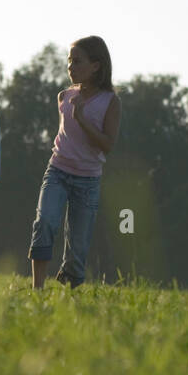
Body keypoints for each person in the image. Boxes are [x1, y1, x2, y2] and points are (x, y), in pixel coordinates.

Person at [28, 35, 122, 287]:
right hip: (57, 171)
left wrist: (82, 119)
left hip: (88, 180)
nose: (70, 66)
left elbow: (107, 145)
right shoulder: (64, 96)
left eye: (77, 61)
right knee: (45, 221)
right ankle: (37, 288)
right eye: (69, 61)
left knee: (78, 245)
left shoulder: (111, 102)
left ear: (96, 65)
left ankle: (68, 294)